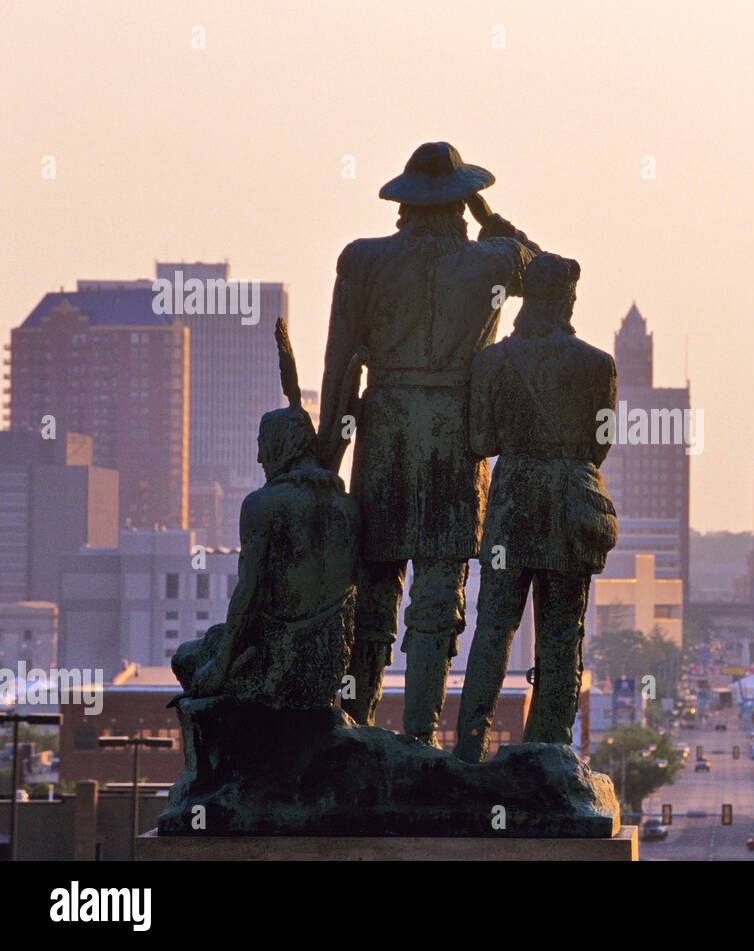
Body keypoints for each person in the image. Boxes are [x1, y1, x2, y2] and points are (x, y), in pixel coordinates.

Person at [317, 142, 540, 745]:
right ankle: (419, 737)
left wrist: (324, 462)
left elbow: (340, 369)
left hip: (385, 427)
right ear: (461, 203)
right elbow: (548, 277)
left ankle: (355, 728)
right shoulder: (494, 260)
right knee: (439, 591)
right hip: (455, 436)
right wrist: (491, 216)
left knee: (374, 583)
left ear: (405, 204)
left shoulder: (363, 261)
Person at [454, 253, 618, 763]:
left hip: (512, 501)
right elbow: (600, 445)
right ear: (569, 298)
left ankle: (469, 747)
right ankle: (548, 748)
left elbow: (480, 439)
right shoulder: (597, 364)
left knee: (494, 626)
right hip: (572, 500)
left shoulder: (492, 361)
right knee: (562, 632)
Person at [174, 320, 359, 710]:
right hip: (331, 665)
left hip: (281, 661)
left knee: (188, 657)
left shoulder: (262, 505)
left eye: (263, 446)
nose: (259, 458)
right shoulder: (347, 507)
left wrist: (221, 666)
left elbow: (248, 591)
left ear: (280, 445)